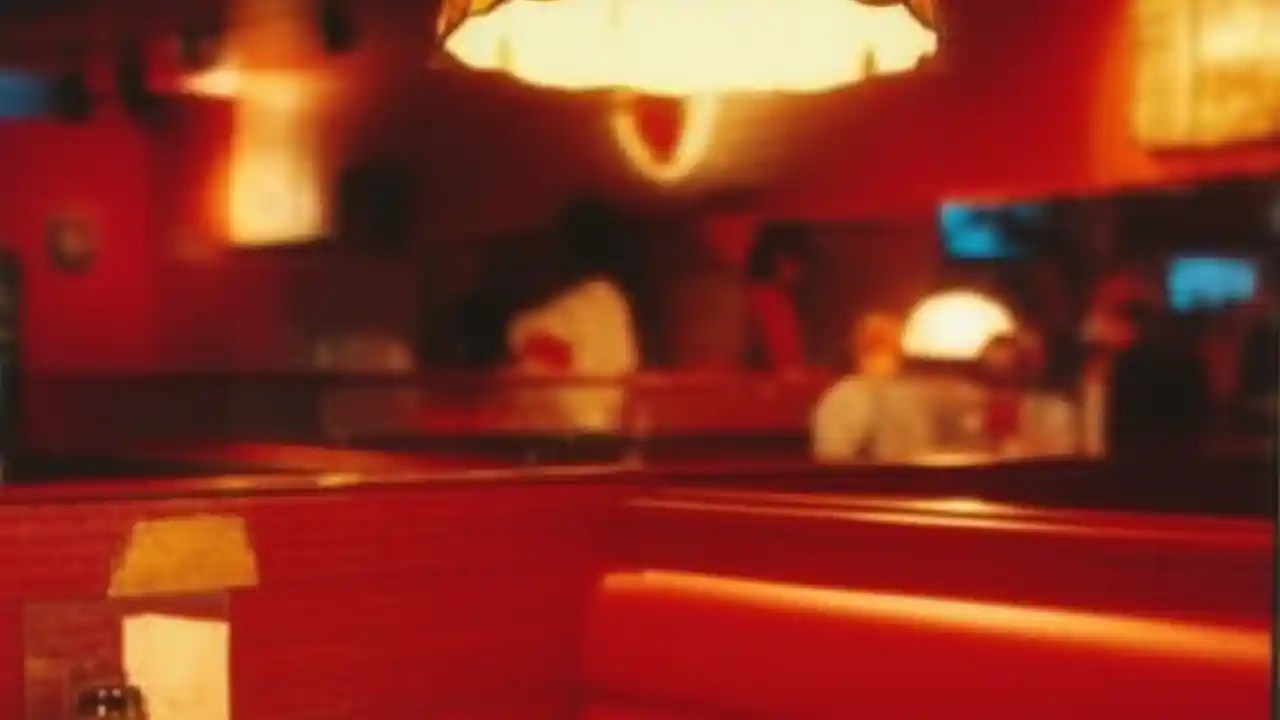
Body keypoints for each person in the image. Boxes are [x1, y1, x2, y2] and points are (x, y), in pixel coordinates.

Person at [506, 200, 639, 433]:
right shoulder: (614, 303)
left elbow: (544, 347)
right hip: (602, 435)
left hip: (575, 439)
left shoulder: (596, 303)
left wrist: (521, 334)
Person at [812, 314, 931, 463]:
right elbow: (832, 456)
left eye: (888, 350)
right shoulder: (842, 399)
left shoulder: (906, 398)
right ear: (859, 354)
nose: (881, 359)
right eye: (873, 349)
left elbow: (921, 450)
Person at [1107, 303, 1209, 454]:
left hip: (1133, 458)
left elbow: (1118, 421)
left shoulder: (1128, 365)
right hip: (1186, 458)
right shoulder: (1190, 364)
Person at [966, 333, 1079, 458]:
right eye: (991, 380)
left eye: (1007, 379)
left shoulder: (1055, 414)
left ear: (1025, 378)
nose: (1000, 393)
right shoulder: (969, 418)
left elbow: (1064, 459)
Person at [747, 228, 808, 372]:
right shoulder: (768, 300)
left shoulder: (780, 298)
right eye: (795, 262)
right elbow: (786, 360)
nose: (802, 270)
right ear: (779, 260)